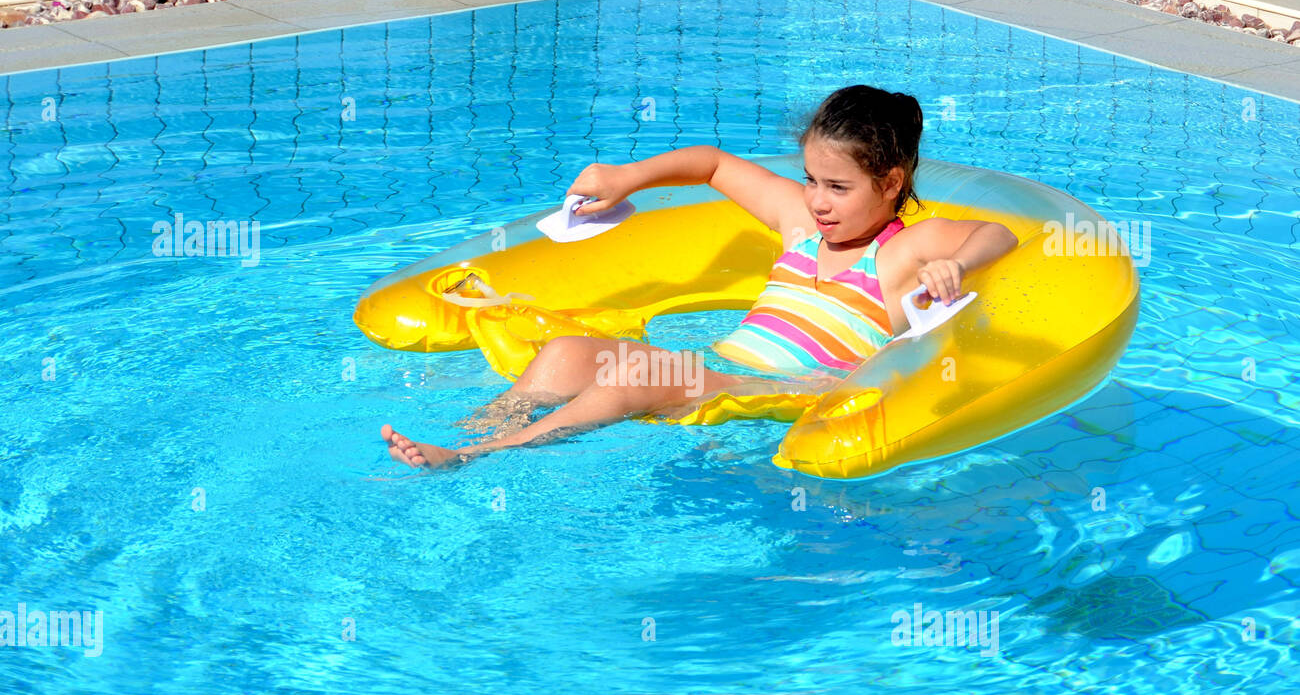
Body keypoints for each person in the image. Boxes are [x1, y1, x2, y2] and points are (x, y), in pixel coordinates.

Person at [384, 85, 1018, 468]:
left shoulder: (904, 251)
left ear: (891, 184)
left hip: (795, 388)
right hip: (722, 362)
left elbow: (1004, 234)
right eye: (811, 180)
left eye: (838, 187)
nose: (818, 201)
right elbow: (713, 165)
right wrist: (626, 176)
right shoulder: (802, 225)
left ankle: (474, 459)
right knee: (569, 351)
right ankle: (476, 427)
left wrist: (955, 265)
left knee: (641, 372)